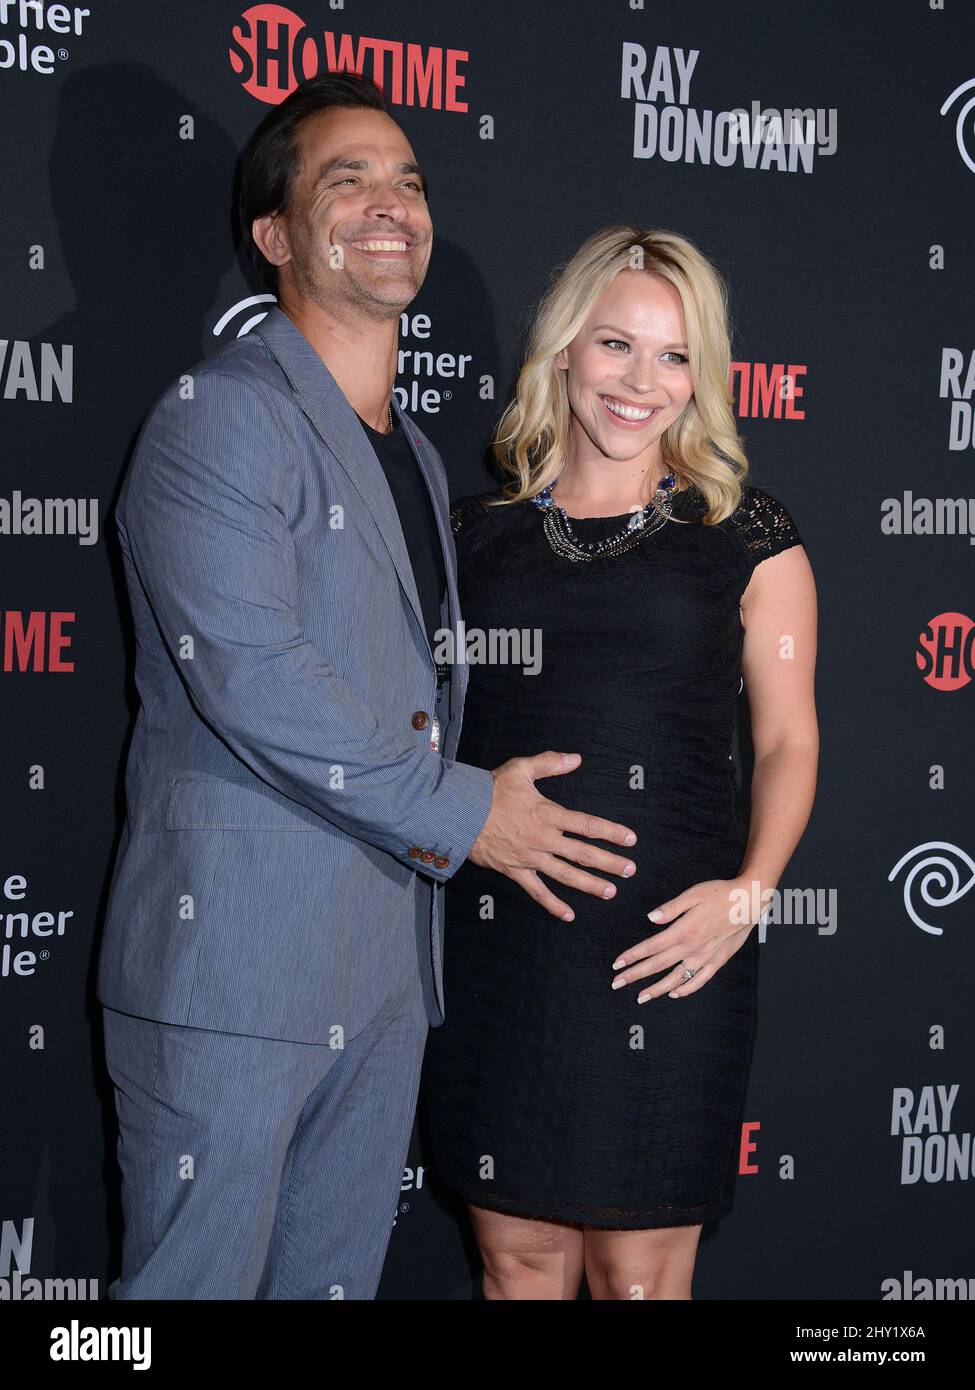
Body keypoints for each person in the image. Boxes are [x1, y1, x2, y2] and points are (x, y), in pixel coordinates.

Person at [96, 74, 639, 1301]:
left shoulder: (420, 452)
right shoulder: (221, 419)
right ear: (276, 236)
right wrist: (472, 813)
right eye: (349, 180)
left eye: (409, 181)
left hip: (383, 974)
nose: (392, 204)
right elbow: (257, 680)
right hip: (233, 970)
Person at [420, 225, 819, 1300]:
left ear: (703, 380)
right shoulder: (468, 539)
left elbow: (787, 739)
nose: (641, 381)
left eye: (675, 355)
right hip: (505, 943)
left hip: (670, 939)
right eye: (615, 344)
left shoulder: (748, 533)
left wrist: (749, 895)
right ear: (562, 352)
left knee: (640, 1279)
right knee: (518, 1262)